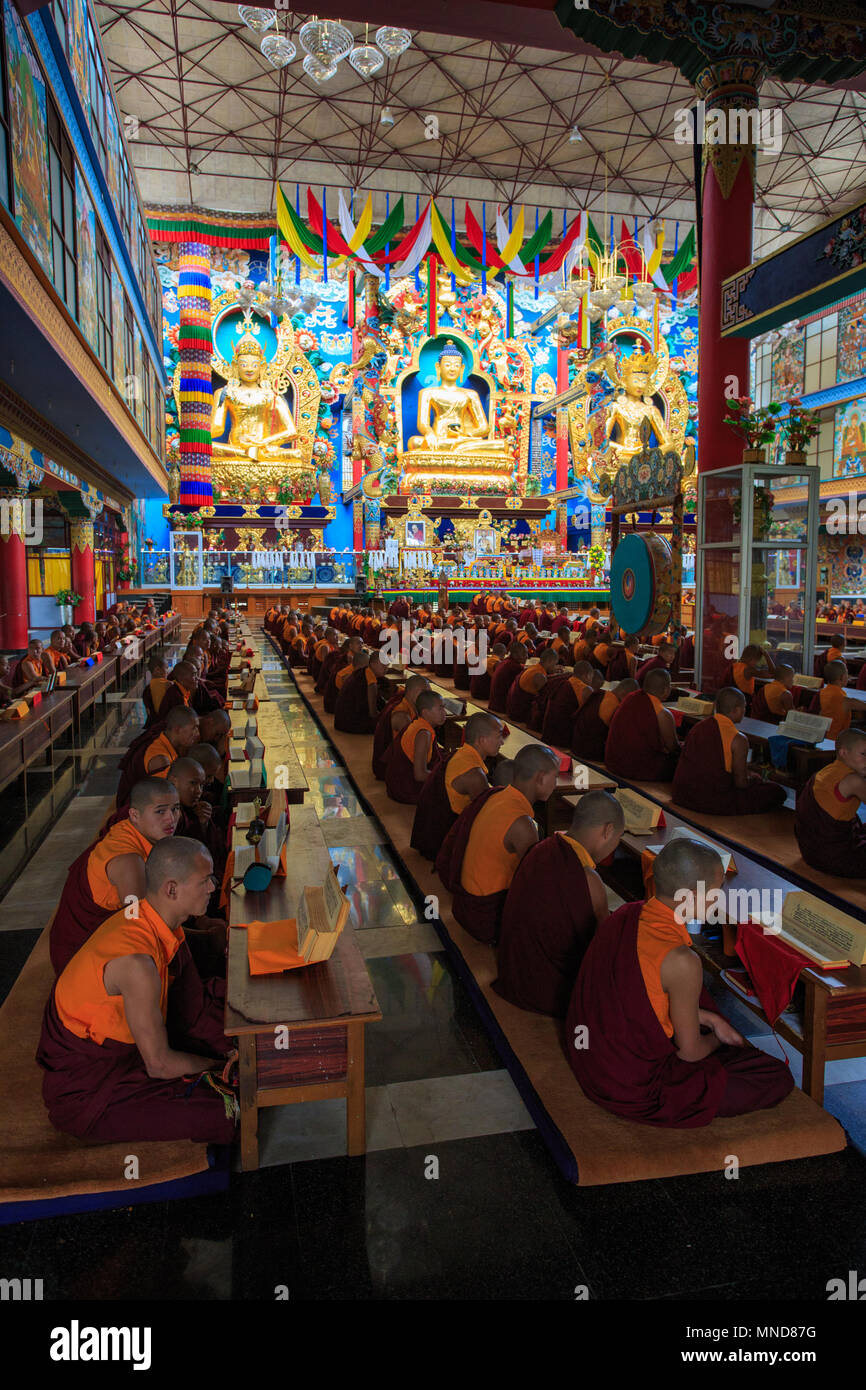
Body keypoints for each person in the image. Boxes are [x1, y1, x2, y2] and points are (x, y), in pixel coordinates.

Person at [566, 838, 795, 1126]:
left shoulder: (626, 914)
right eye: (716, 890)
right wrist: (716, 1038)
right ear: (690, 895)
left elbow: (639, 998)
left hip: (589, 1058)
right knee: (774, 1076)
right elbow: (690, 1053)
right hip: (632, 1084)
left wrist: (710, 1018)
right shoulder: (683, 962)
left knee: (729, 1046)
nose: (719, 898)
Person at [37, 837, 236, 1145]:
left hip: (129, 1052)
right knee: (222, 1110)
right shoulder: (137, 964)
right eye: (205, 881)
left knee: (223, 1037)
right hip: (88, 1087)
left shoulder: (151, 917)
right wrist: (216, 1067)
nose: (213, 887)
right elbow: (158, 1064)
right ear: (171, 889)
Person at [494, 791, 625, 1017]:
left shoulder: (540, 848)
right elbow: (605, 944)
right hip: (550, 991)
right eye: (617, 839)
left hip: (512, 975)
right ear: (608, 830)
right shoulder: (590, 881)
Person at [49, 776, 181, 975]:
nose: (171, 818)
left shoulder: (131, 830)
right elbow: (136, 920)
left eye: (175, 809)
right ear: (134, 815)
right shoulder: (128, 861)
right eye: (160, 811)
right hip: (82, 954)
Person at [435, 744, 559, 944]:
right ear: (541, 778)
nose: (556, 783)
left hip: (464, 904)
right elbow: (534, 884)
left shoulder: (497, 795)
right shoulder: (523, 824)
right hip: (485, 918)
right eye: (555, 777)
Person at [672, 687, 787, 816]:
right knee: (777, 792)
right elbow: (741, 784)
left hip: (683, 794)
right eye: (744, 707)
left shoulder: (699, 726)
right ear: (736, 710)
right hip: (712, 801)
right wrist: (754, 780)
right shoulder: (738, 739)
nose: (745, 711)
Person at [795, 726, 866, 877]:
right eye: (863, 754)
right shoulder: (854, 780)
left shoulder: (827, 770)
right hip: (833, 856)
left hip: (810, 851)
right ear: (843, 752)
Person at [604, 668, 680, 781]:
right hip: (638, 768)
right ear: (666, 690)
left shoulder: (629, 698)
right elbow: (673, 747)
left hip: (613, 761)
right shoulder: (662, 713)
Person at [116, 706, 200, 805]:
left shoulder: (164, 738)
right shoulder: (160, 760)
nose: (197, 733)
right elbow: (162, 801)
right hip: (134, 808)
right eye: (194, 728)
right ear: (177, 729)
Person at [385, 690, 447, 804]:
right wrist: (445, 778)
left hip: (396, 783)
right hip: (405, 789)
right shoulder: (424, 733)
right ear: (426, 712)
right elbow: (420, 775)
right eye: (440, 708)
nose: (445, 712)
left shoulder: (419, 723)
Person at [571, 678, 638, 761]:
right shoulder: (613, 704)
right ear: (623, 693)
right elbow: (616, 736)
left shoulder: (603, 694)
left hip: (576, 745)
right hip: (590, 753)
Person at [540, 661, 596, 747]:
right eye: (591, 677)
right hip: (564, 735)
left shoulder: (564, 682)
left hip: (548, 732)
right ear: (587, 675)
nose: (591, 681)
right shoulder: (585, 689)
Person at [334, 651, 388, 734]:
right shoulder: (371, 682)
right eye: (383, 666)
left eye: (387, 666)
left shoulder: (363, 671)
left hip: (340, 720)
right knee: (387, 726)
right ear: (373, 664)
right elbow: (372, 713)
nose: (386, 669)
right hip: (352, 723)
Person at [505, 648, 559, 724]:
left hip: (512, 709)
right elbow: (543, 699)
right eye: (555, 664)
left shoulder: (534, 668)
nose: (555, 667)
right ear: (550, 661)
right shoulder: (540, 675)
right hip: (520, 713)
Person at [819, 660, 857, 739]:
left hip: (823, 735)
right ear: (842, 677)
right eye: (847, 673)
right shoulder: (842, 698)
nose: (848, 676)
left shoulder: (823, 692)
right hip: (836, 739)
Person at [487, 640, 526, 714]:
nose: (526, 656)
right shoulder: (515, 667)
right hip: (501, 706)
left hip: (493, 704)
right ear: (515, 655)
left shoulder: (504, 662)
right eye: (524, 653)